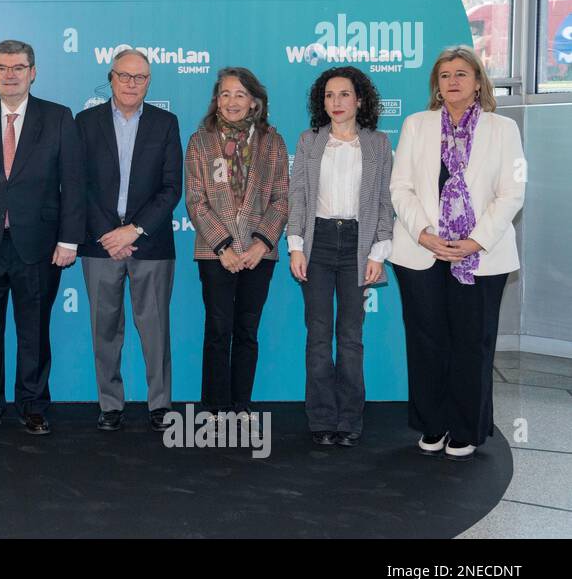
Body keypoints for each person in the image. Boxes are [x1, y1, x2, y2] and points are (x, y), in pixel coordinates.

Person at [388, 46, 525, 461]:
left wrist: (476, 240)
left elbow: (512, 192)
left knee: (472, 343)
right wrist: (425, 233)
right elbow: (401, 187)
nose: (452, 81)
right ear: (436, 84)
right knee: (427, 341)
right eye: (444, 74)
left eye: (461, 73)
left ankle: (466, 429)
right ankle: (433, 423)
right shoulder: (416, 125)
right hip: (421, 252)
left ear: (478, 81)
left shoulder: (503, 130)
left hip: (480, 256)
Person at [0, 39, 85, 437]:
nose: (9, 75)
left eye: (18, 67)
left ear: (33, 72)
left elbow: (73, 183)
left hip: (38, 246)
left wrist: (69, 240)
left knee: (34, 331)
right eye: (2, 68)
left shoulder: (58, 117)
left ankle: (33, 406)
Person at [76, 48, 182, 433]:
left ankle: (159, 405)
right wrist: (110, 234)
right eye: (125, 76)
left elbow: (171, 189)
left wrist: (133, 229)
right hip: (99, 243)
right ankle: (110, 405)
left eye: (140, 77)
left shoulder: (165, 123)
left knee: (155, 330)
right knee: (105, 329)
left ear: (149, 81)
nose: (132, 84)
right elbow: (78, 185)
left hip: (150, 243)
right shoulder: (85, 122)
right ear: (111, 77)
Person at [287, 66, 393, 448]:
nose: (337, 102)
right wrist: (296, 246)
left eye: (344, 94)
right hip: (317, 242)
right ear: (322, 101)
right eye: (330, 95)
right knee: (318, 336)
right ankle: (321, 419)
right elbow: (297, 196)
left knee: (350, 337)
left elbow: (384, 202)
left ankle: (349, 419)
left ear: (359, 99)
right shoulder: (309, 141)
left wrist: (379, 252)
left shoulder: (378, 144)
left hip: (358, 245)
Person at [184, 67, 289, 418]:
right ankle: (215, 408)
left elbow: (281, 199)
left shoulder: (273, 142)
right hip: (216, 253)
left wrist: (261, 245)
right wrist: (223, 247)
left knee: (247, 331)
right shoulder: (200, 140)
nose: (232, 102)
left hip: (260, 254)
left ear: (255, 102)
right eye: (225, 94)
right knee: (217, 330)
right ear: (216, 100)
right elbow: (196, 200)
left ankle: (241, 406)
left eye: (240, 95)